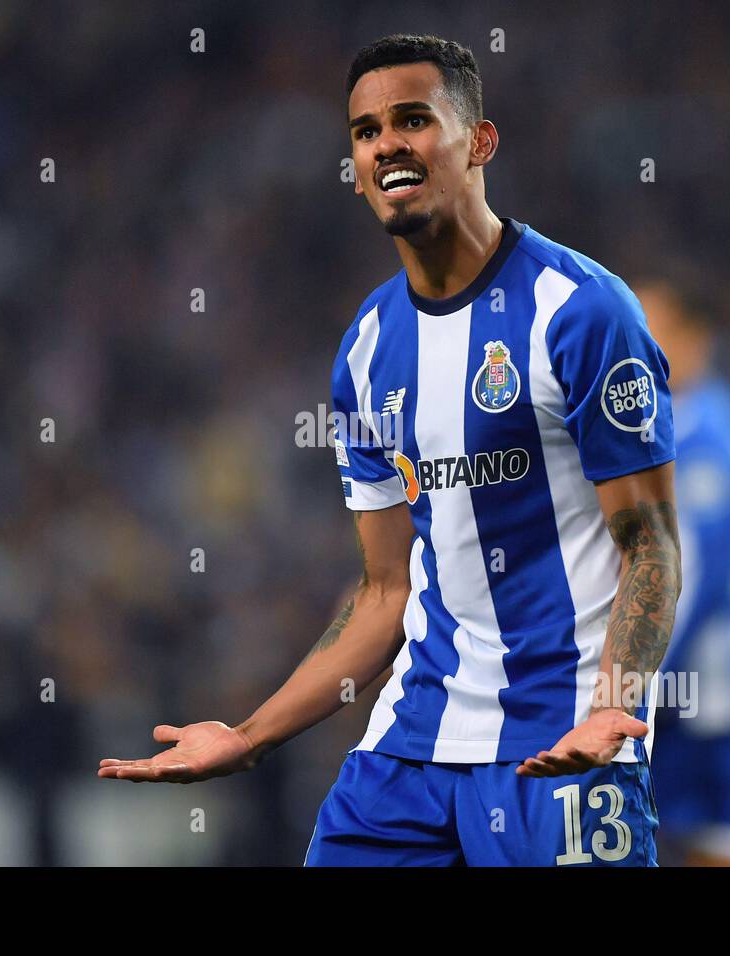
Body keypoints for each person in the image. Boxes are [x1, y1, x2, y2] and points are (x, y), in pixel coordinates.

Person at [98, 34, 683, 867]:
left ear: (479, 140)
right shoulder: (367, 350)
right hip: (412, 749)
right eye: (366, 131)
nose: (386, 146)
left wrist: (614, 709)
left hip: (564, 745)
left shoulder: (582, 313)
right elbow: (384, 592)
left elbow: (650, 546)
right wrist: (250, 735)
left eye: (413, 120)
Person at [634, 275, 730, 866]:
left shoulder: (712, 436)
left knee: (726, 844)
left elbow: (695, 578)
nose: (633, 346)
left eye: (652, 331)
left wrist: (629, 675)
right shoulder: (654, 427)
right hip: (660, 690)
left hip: (704, 694)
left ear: (695, 340)